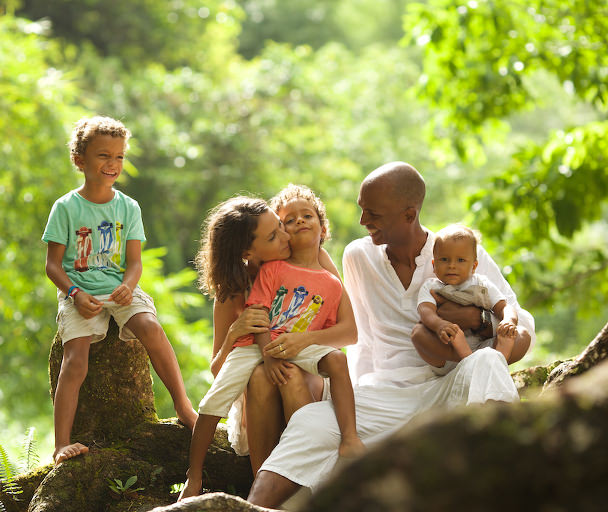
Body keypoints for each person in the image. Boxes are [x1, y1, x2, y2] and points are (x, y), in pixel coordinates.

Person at [248, 161, 534, 507]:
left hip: (448, 386)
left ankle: (511, 489)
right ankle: (250, 507)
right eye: (362, 209)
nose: (363, 220)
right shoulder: (358, 256)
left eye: (374, 214)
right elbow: (359, 340)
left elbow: (521, 327)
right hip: (381, 396)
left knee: (488, 361)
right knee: (311, 423)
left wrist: (479, 321)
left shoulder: (458, 250)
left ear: (409, 214)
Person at [178, 186, 362, 500]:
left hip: (305, 375)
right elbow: (218, 369)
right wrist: (235, 333)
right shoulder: (234, 288)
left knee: (285, 372)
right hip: (257, 385)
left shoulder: (314, 258)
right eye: (276, 233)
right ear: (248, 253)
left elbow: (349, 331)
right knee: (262, 374)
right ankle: (262, 489)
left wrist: (302, 340)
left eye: (280, 227)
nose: (288, 236)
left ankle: (308, 477)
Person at [42, 115, 197, 465]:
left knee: (152, 329)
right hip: (79, 292)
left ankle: (185, 407)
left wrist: (128, 287)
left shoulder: (128, 207)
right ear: (80, 160)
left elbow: (135, 263)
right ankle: (61, 443)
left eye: (119, 157)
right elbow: (52, 266)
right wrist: (75, 295)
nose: (113, 164)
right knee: (76, 358)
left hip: (119, 289)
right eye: (103, 156)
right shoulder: (66, 208)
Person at [412, 223, 522, 373]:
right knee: (418, 333)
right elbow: (426, 311)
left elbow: (504, 307)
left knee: (522, 335)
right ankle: (469, 361)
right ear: (434, 264)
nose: (452, 265)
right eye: (444, 259)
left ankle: (498, 356)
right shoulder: (431, 286)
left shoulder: (482, 283)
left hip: (483, 347)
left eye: (460, 260)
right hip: (448, 353)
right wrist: (439, 325)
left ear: (474, 266)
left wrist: (509, 320)